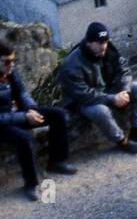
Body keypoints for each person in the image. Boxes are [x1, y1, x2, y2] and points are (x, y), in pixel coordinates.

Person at [57, 22, 137, 155]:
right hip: (81, 101)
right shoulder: (72, 64)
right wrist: (112, 99)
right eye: (99, 43)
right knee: (101, 111)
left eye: (105, 42)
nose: (103, 46)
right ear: (89, 42)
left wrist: (125, 90)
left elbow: (124, 70)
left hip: (107, 89)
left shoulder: (108, 49)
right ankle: (122, 141)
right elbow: (82, 94)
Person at [0, 41, 78, 202]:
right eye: (7, 62)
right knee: (24, 138)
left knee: (58, 115)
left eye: (13, 61)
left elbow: (21, 92)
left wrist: (32, 109)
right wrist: (24, 117)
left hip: (15, 114)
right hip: (2, 123)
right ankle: (31, 183)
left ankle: (58, 161)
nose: (11, 65)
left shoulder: (9, 72)